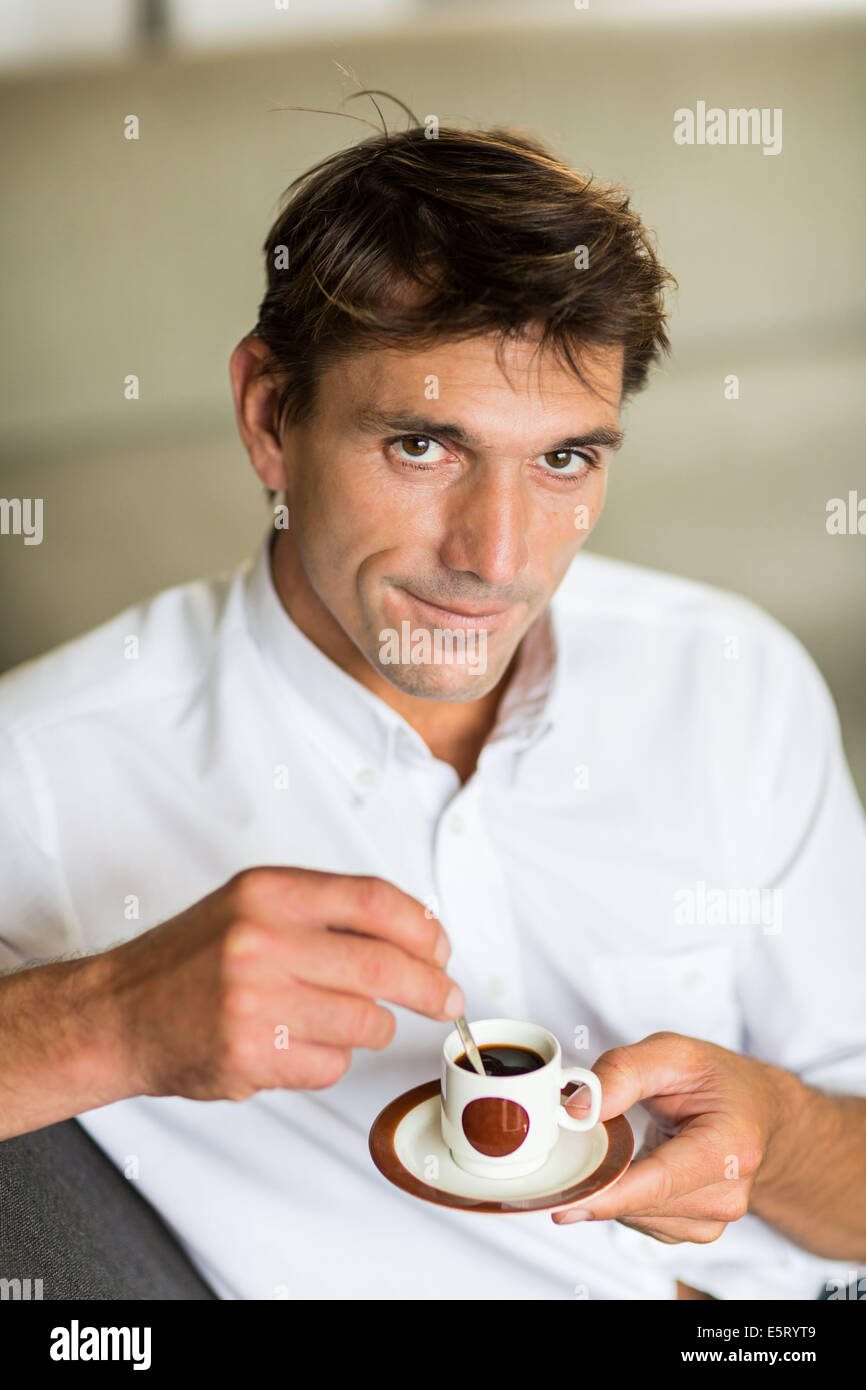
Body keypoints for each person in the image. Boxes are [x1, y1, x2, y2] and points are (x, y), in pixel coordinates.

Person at [1, 119, 864, 1302]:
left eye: (564, 461)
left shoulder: (732, 678)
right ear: (268, 417)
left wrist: (772, 1128)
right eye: (420, 443)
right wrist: (105, 1021)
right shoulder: (45, 767)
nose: (496, 558)